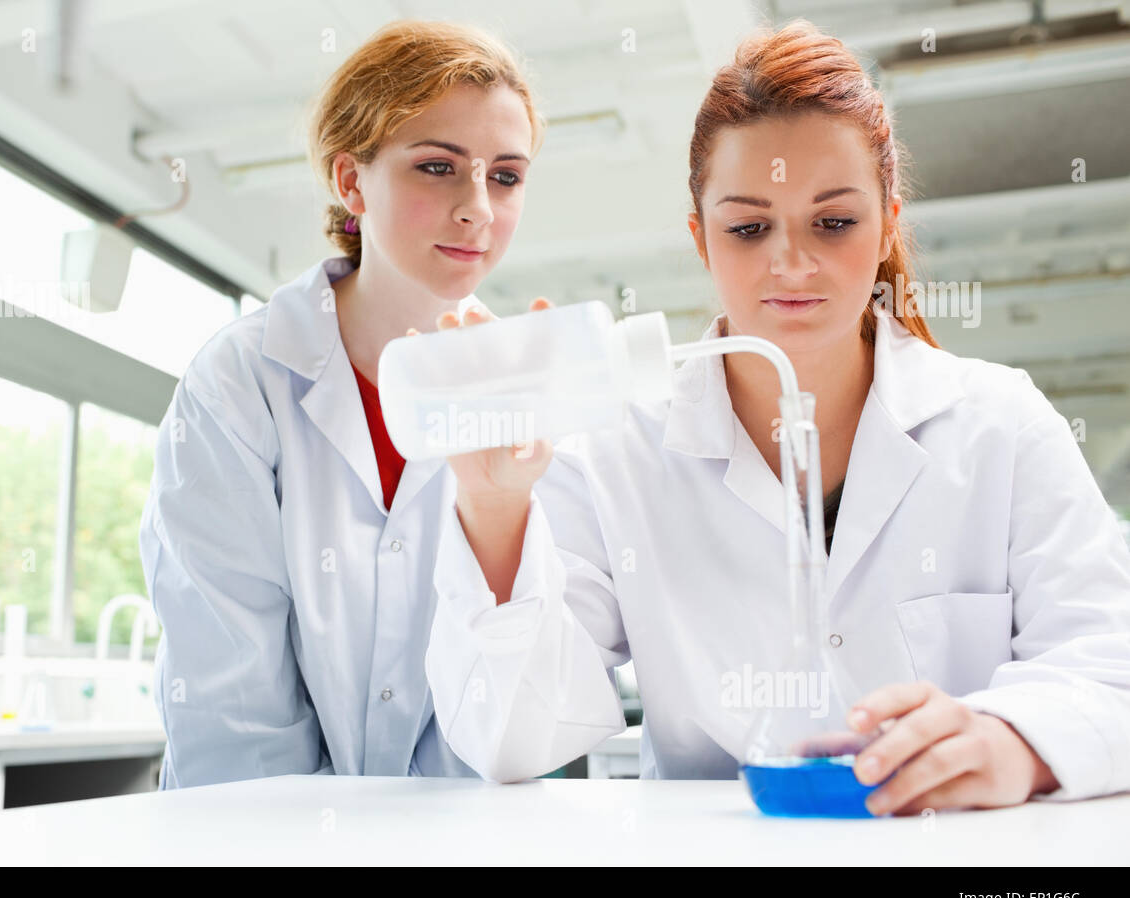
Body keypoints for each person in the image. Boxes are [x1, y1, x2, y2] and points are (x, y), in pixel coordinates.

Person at [423, 19, 1130, 813]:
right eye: (749, 227)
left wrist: (1012, 740)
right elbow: (511, 740)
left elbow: (1111, 667)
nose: (792, 263)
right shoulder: (617, 455)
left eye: (834, 222)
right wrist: (492, 506)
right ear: (701, 238)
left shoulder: (1002, 427)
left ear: (890, 220)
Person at [139, 20, 544, 787]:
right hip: (258, 838)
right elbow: (236, 716)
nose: (478, 209)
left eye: (507, 176)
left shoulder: (517, 406)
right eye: (437, 167)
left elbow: (513, 701)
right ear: (352, 181)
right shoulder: (239, 384)